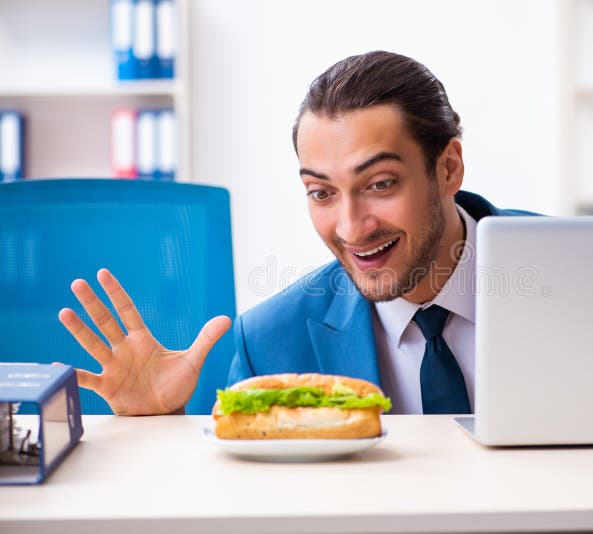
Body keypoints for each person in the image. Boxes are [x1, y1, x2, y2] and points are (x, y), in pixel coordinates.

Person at [58, 51, 538, 416]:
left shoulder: (589, 275)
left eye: (380, 184)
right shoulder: (269, 343)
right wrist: (162, 432)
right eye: (322, 192)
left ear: (449, 168)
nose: (352, 228)